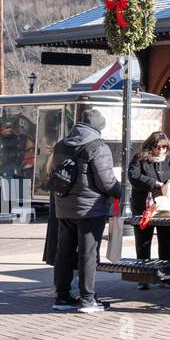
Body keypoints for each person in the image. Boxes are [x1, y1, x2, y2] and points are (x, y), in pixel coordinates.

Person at [51, 106, 122, 314]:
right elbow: (106, 182)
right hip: (91, 209)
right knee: (88, 254)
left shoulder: (61, 145)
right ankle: (88, 299)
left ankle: (62, 297)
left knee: (63, 253)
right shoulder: (98, 146)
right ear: (98, 127)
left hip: (64, 206)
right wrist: (120, 191)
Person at [128, 131, 170, 290]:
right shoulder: (140, 158)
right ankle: (143, 276)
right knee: (143, 240)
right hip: (144, 205)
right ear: (150, 146)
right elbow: (133, 176)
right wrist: (154, 183)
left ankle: (167, 276)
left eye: (164, 147)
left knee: (166, 239)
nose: (160, 150)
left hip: (167, 205)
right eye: (157, 147)